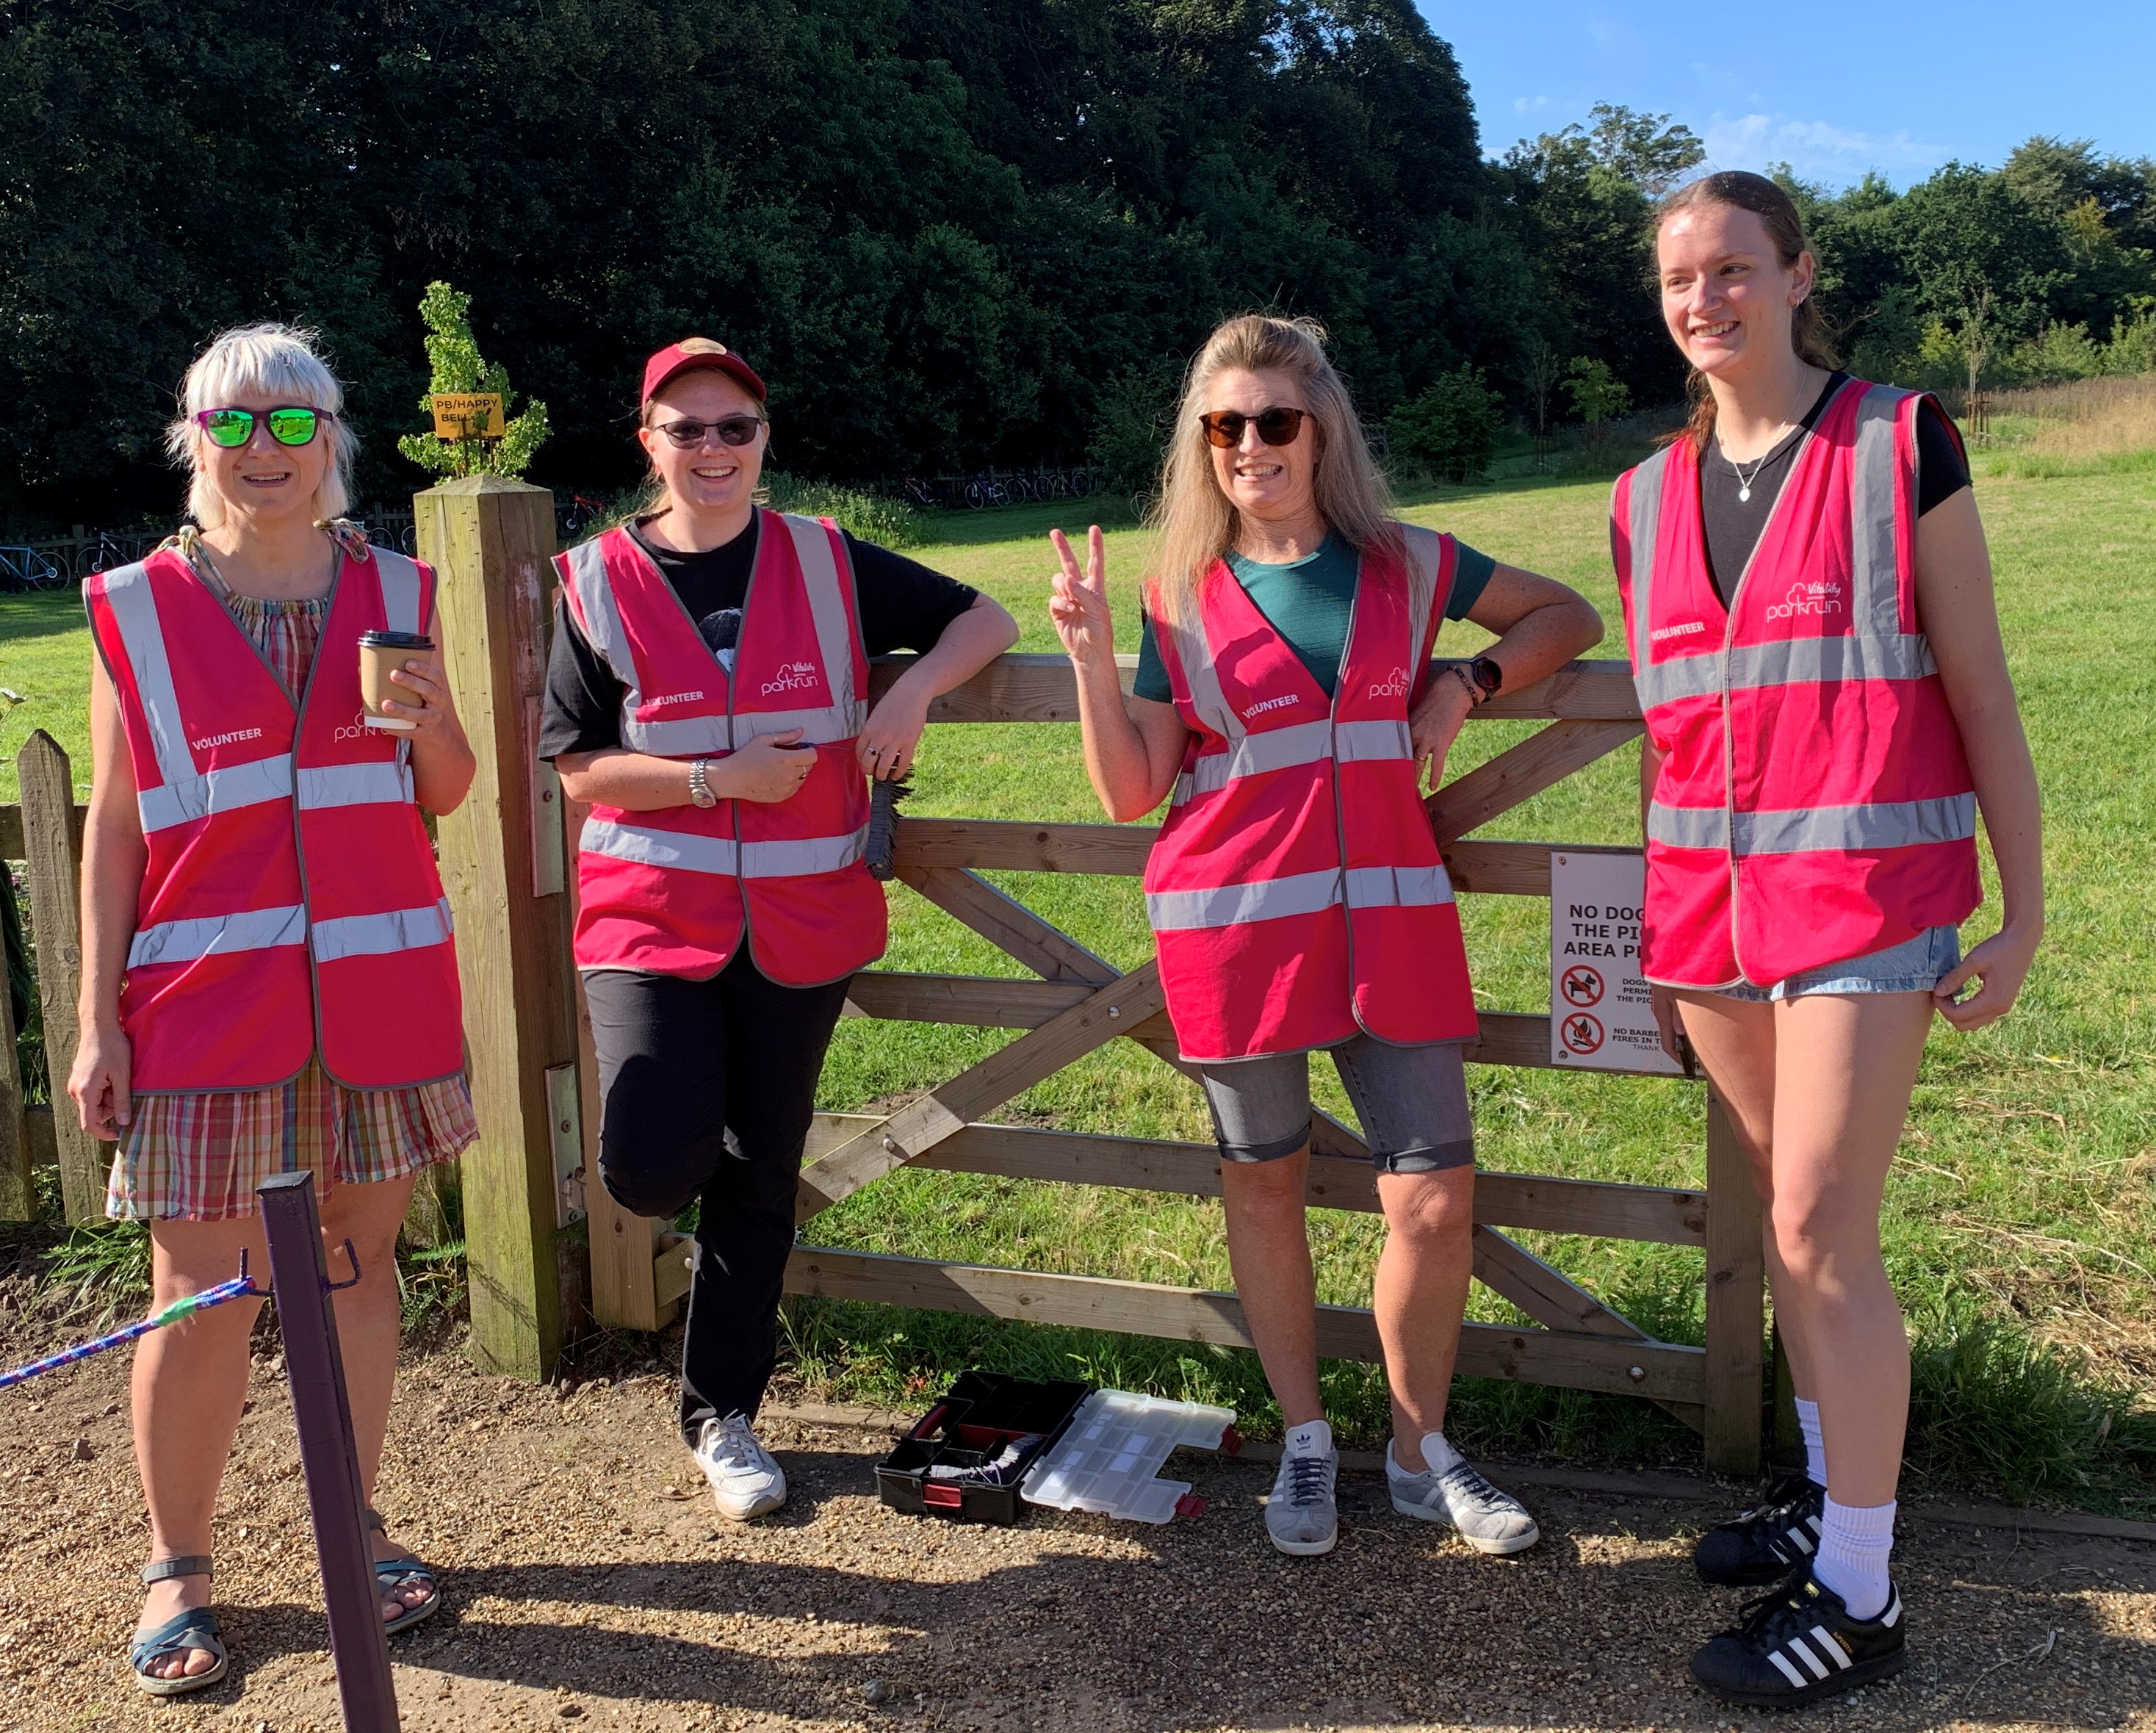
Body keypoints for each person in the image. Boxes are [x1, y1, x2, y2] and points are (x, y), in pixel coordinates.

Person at [1048, 314, 1604, 1557]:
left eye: (1277, 421)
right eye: (1226, 425)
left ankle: (1419, 1455)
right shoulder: (1174, 594)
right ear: (1203, 443)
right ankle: (1304, 1444)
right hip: (1236, 931)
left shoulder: (1409, 561)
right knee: (1267, 1182)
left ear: (1324, 428)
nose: (1252, 445)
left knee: (1435, 1195)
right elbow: (1132, 788)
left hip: (1393, 926)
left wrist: (1468, 681)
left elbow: (1568, 617)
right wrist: (1089, 659)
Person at [1612, 173, 2043, 1707]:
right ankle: (1821, 1486)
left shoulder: (1896, 440)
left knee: (1811, 1230)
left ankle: (1860, 1594)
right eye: (1678, 278)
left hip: (1868, 912)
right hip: (1714, 927)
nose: (1703, 298)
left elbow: (1978, 688)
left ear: (1798, 276)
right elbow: (1674, 737)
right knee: (1796, 1243)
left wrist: (2026, 903)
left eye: (1734, 268)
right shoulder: (1640, 495)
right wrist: (1665, 942)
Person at [542, 339, 1017, 1519]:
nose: (713, 449)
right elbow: (578, 769)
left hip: (803, 923)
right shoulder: (595, 578)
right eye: (686, 429)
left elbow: (986, 618)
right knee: (654, 1166)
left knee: (764, 1173)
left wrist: (906, 691)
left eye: (734, 428)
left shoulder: (823, 556)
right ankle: (706, 1269)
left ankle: (723, 1415)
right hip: (651, 921)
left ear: (764, 440)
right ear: (647, 443)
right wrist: (716, 782)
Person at [71, 325, 479, 1695]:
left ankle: (347, 1531)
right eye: (233, 427)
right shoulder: (135, 603)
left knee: (358, 1279)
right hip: (204, 1007)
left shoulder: (399, 583)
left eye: (291, 426)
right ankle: (176, 1567)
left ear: (330, 439)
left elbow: (447, 788)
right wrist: (93, 1019)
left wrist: (422, 714)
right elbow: (118, 829)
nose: (264, 453)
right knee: (199, 1294)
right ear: (195, 439)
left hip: (378, 994)